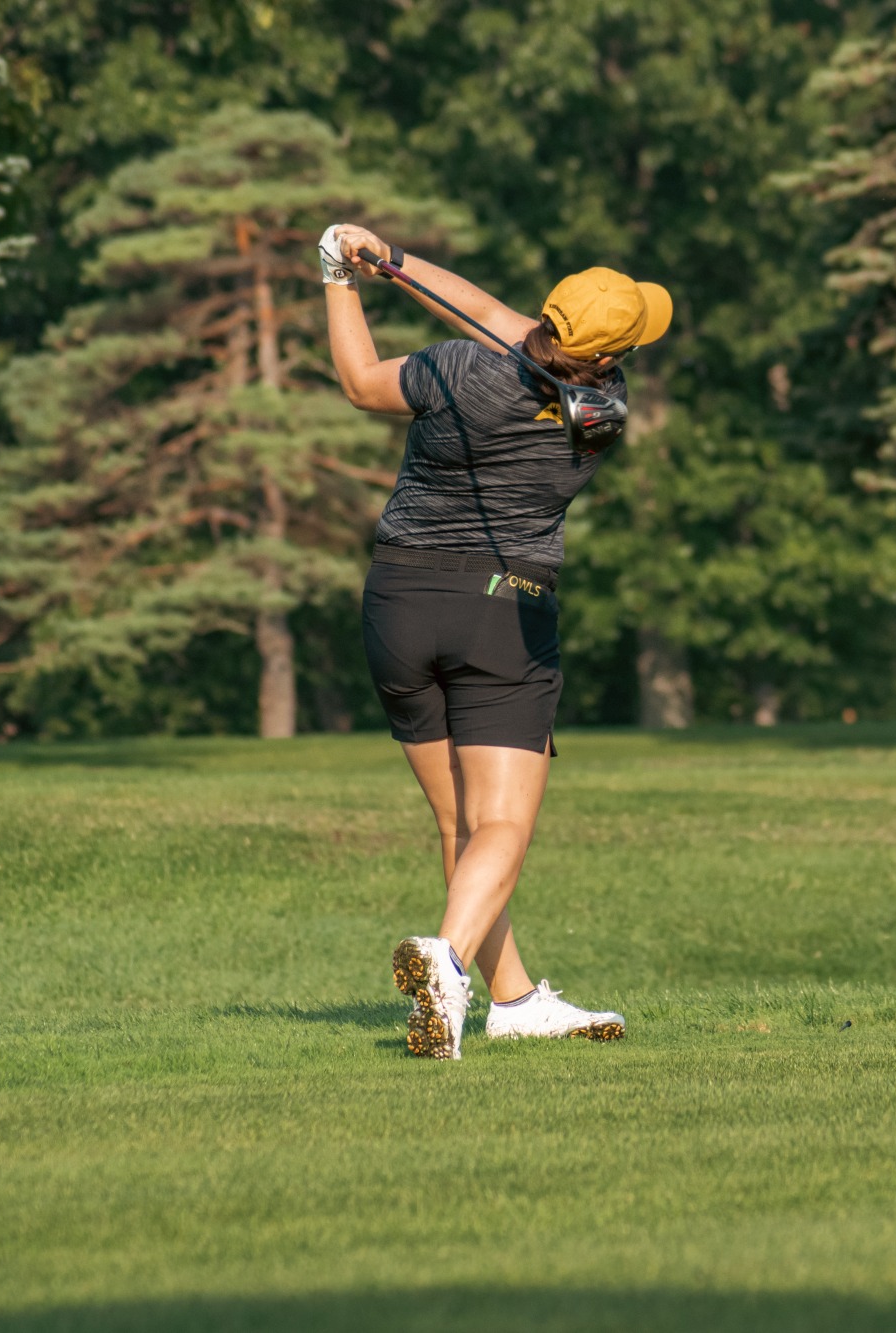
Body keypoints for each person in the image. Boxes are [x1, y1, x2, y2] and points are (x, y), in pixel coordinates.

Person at [319, 222, 671, 1060]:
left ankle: (510, 999)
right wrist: (397, 265)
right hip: (501, 609)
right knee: (503, 822)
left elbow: (366, 383)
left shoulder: (459, 370)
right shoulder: (603, 410)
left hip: (398, 600)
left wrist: (343, 275)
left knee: (460, 824)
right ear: (609, 351)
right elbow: (494, 319)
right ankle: (447, 963)